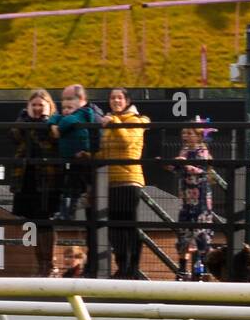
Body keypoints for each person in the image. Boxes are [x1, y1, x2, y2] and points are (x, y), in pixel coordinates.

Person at [9, 88, 60, 276]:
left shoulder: (55, 122)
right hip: (26, 178)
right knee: (32, 222)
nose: (37, 108)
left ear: (49, 106)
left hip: (47, 179)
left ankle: (50, 264)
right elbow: (15, 136)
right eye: (34, 105)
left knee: (46, 220)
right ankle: (41, 265)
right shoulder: (21, 122)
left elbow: (47, 141)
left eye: (41, 105)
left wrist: (44, 121)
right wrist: (29, 120)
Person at [99, 88, 149, 278]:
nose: (115, 101)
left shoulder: (135, 121)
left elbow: (126, 142)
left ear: (127, 101)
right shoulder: (110, 121)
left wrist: (114, 121)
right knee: (115, 228)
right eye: (112, 97)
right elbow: (106, 151)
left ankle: (133, 268)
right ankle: (122, 266)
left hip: (129, 180)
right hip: (111, 182)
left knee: (129, 225)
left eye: (119, 97)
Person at [48, 84, 103, 221]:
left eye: (69, 99)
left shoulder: (88, 113)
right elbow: (55, 117)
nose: (65, 104)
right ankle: (66, 212)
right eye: (64, 100)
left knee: (88, 200)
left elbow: (69, 120)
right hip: (70, 160)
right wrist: (53, 124)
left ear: (81, 99)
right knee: (68, 187)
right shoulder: (67, 114)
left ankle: (71, 209)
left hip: (91, 166)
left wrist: (58, 128)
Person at [170, 119, 214, 279]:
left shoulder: (202, 150)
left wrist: (185, 164)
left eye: (189, 133)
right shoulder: (184, 149)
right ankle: (182, 269)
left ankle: (201, 268)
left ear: (198, 135)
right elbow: (179, 169)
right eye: (184, 133)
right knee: (184, 233)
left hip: (200, 198)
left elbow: (202, 170)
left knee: (201, 233)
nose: (185, 136)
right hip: (186, 198)